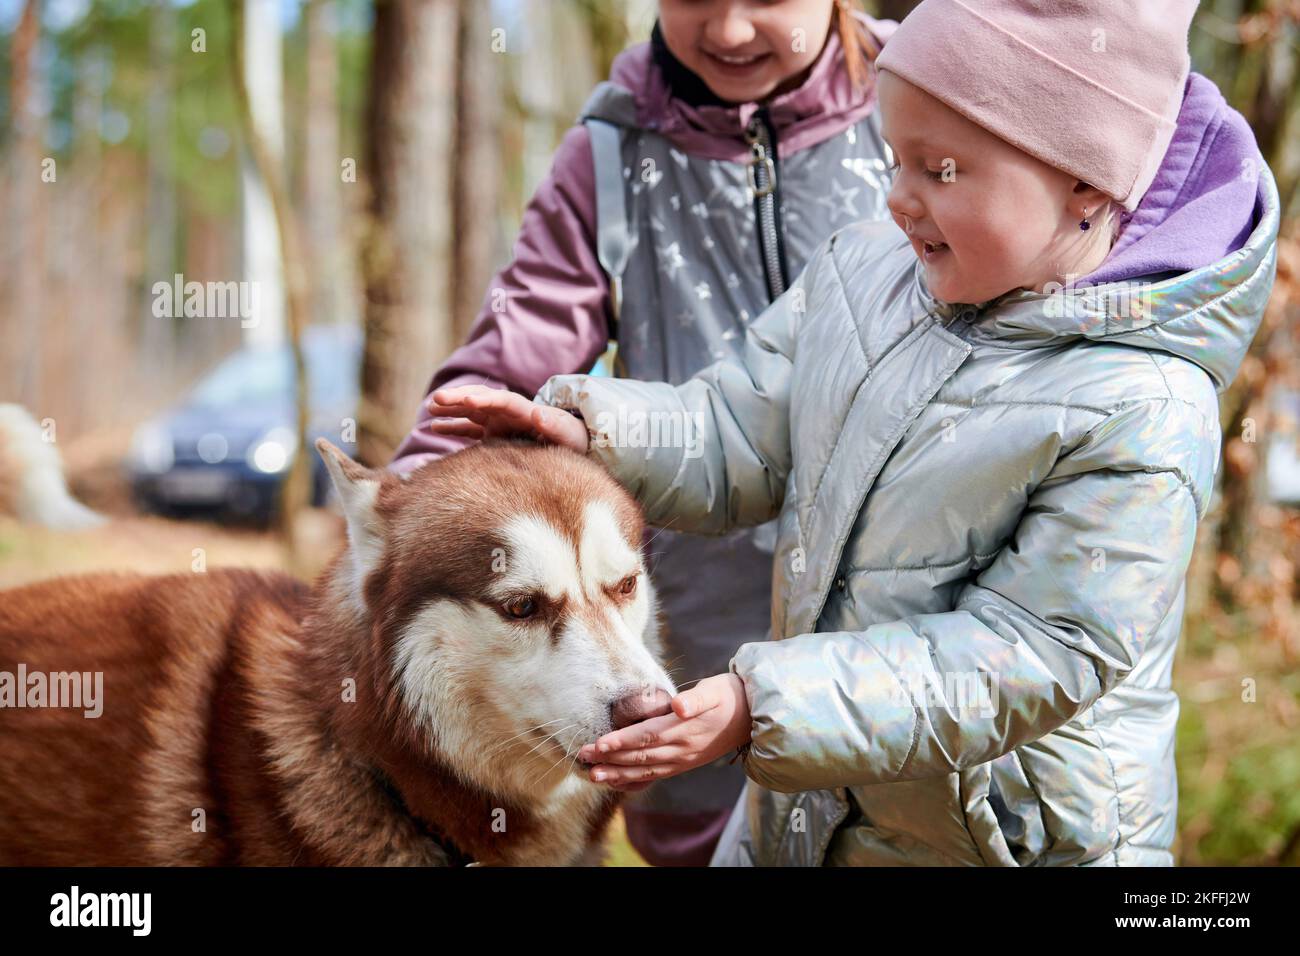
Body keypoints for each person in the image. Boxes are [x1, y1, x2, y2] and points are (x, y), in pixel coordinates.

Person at [425, 0, 1280, 865]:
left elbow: (1028, 653)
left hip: (1003, 842)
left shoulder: (1138, 407)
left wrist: (767, 706)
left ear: (1085, 182)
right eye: (895, 159)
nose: (898, 198)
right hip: (805, 814)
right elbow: (735, 432)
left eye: (938, 170)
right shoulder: (865, 274)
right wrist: (597, 436)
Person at [391, 0, 898, 866]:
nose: (731, 32)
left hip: (900, 652)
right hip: (679, 671)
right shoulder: (613, 149)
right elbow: (516, 355)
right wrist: (396, 527)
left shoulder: (928, 97)